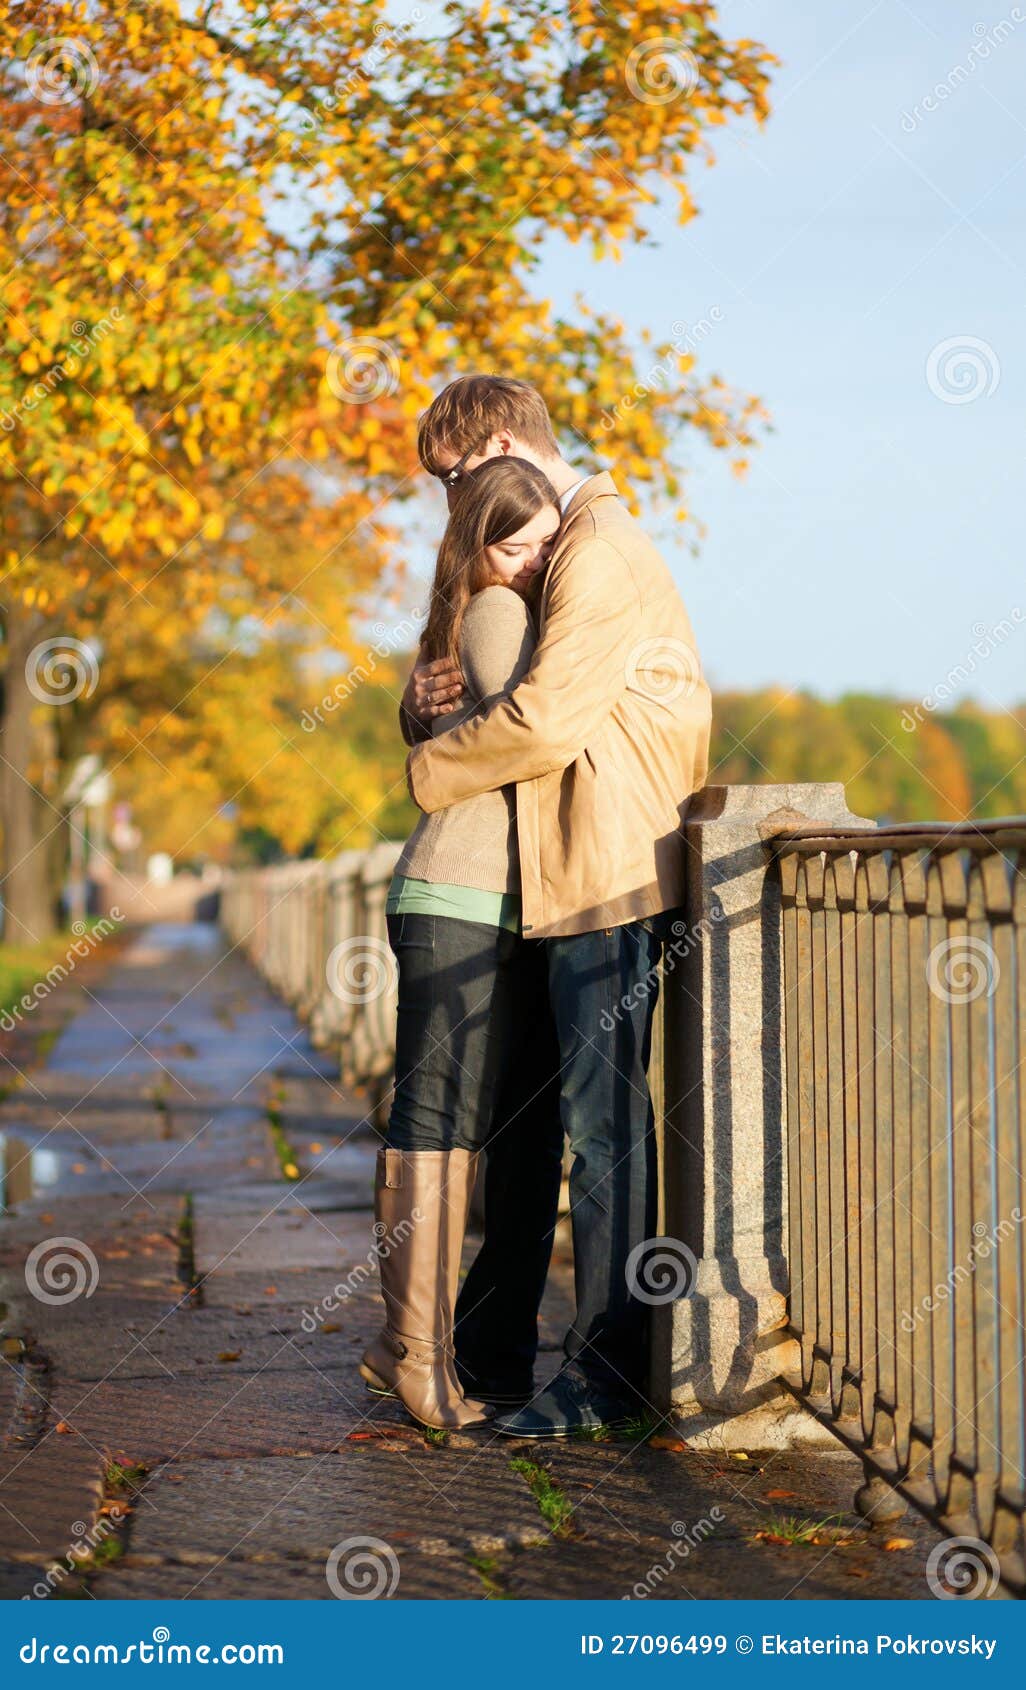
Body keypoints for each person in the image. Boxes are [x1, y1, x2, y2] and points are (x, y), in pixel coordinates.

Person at [402, 374, 712, 1438]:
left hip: (610, 867)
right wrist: (426, 704)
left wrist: (427, 771)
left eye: (454, 473)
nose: (451, 498)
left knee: (607, 1129)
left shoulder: (596, 547)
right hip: (567, 864)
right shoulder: (553, 546)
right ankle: (504, 1351)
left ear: (500, 444)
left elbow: (543, 720)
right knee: (540, 1122)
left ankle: (608, 1377)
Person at [361, 456, 564, 1431]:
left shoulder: (484, 606)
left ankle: (412, 1344)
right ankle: (418, 1364)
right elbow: (536, 722)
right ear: (476, 546)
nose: (527, 560)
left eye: (539, 543)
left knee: (456, 1126)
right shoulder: (496, 613)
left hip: (486, 900)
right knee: (437, 1128)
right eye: (510, 543)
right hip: (458, 894)